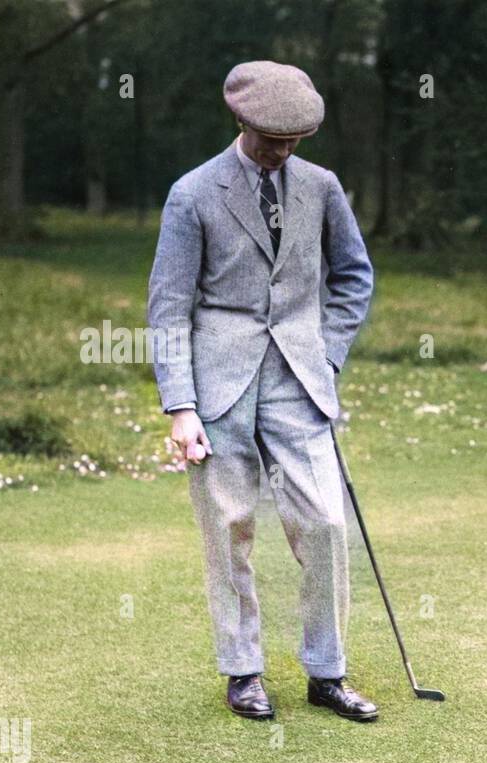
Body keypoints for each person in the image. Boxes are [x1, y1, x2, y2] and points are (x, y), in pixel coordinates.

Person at [147, 60, 378, 723]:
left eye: (295, 139)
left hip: (300, 383)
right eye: (274, 139)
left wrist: (327, 355)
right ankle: (243, 671)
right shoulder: (193, 193)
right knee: (230, 531)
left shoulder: (322, 187)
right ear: (242, 122)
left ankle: (327, 674)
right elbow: (169, 307)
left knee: (326, 524)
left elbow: (353, 277)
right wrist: (181, 407)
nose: (284, 150)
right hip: (217, 389)